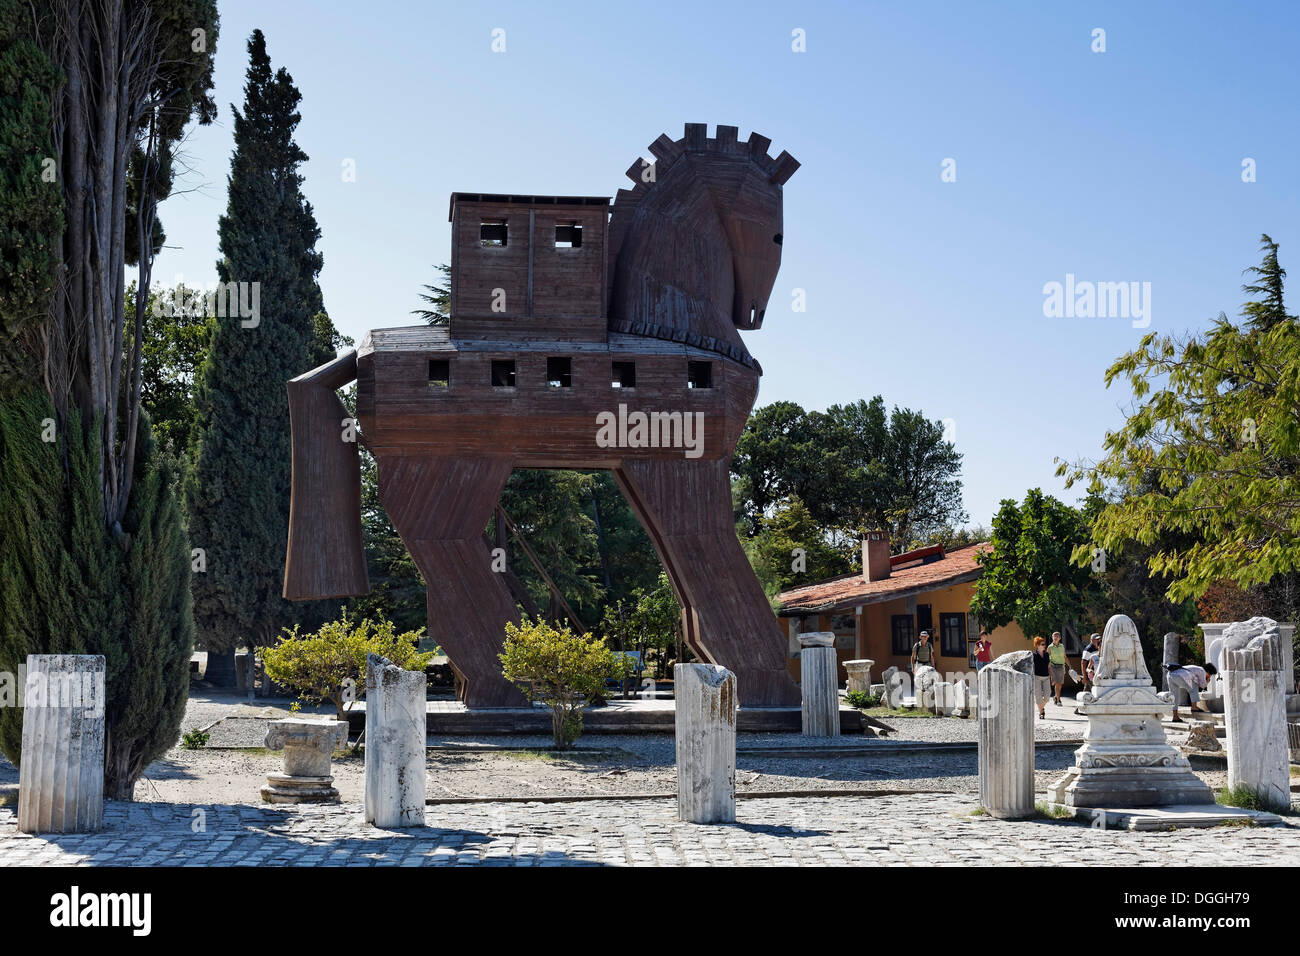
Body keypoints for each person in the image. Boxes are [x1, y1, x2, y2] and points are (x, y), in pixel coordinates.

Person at [1032, 636, 1052, 719]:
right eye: (1042, 644)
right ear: (1037, 645)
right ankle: (1041, 712)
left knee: (1047, 696)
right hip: (1036, 677)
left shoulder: (1047, 654)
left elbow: (1049, 666)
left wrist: (1052, 676)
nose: (1044, 646)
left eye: (1044, 644)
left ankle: (1041, 708)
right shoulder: (1033, 655)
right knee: (1038, 697)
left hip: (1046, 677)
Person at [1048, 631, 1067, 706]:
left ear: (1060, 638)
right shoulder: (1050, 647)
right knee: (1057, 683)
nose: (1055, 638)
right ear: (1052, 638)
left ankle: (1056, 697)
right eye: (1054, 636)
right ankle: (1058, 700)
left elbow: (1065, 657)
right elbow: (1047, 659)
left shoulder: (1062, 646)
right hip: (1053, 666)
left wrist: (1070, 666)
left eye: (1057, 636)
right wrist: (1050, 671)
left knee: (1060, 684)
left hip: (1061, 666)